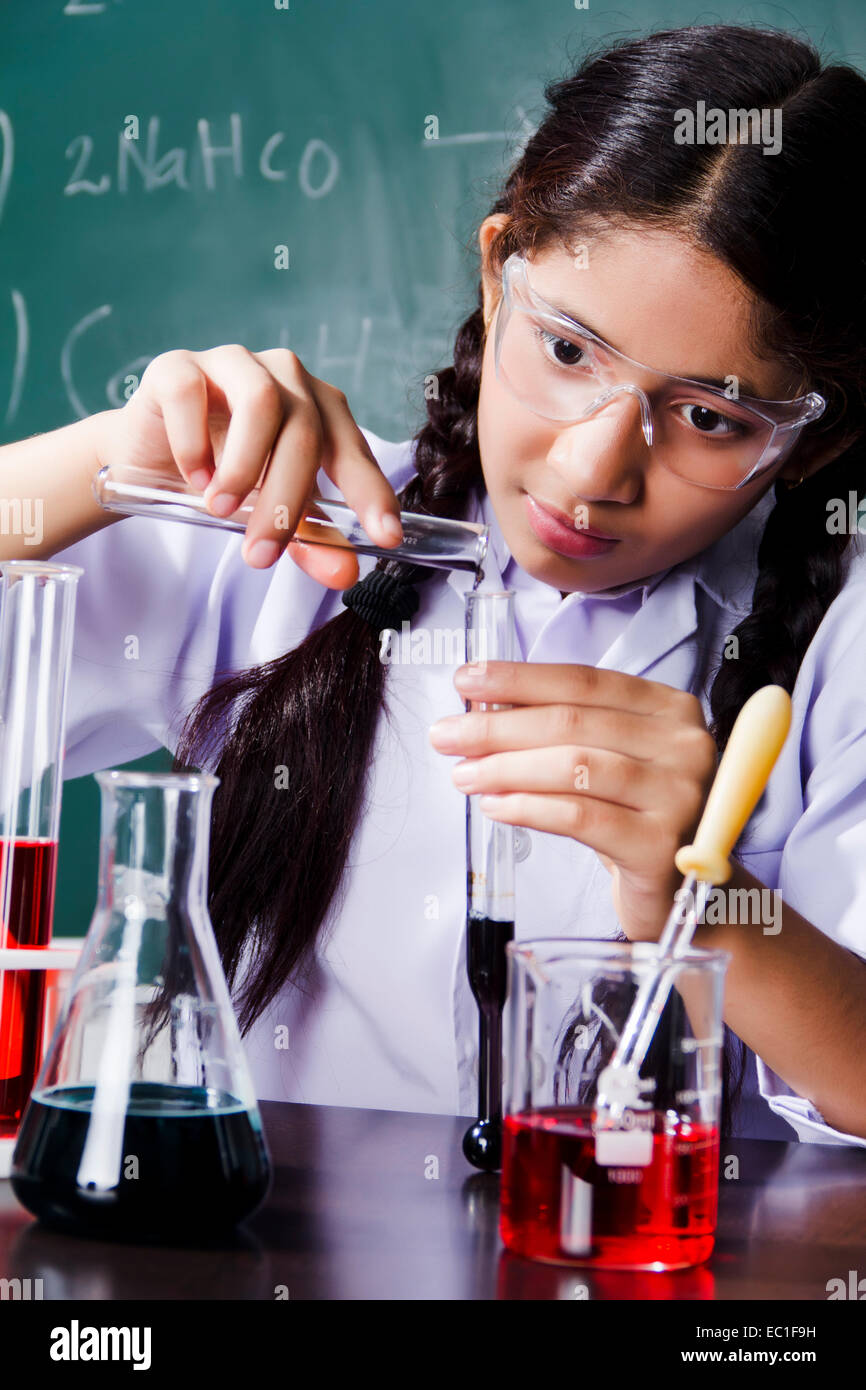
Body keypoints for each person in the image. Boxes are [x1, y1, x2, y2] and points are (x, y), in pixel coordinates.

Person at [2, 24, 865, 1143]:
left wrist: (712, 901)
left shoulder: (837, 636)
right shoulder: (287, 523)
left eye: (706, 417)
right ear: (495, 269)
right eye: (566, 352)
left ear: (809, 442)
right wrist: (113, 460)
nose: (591, 467)